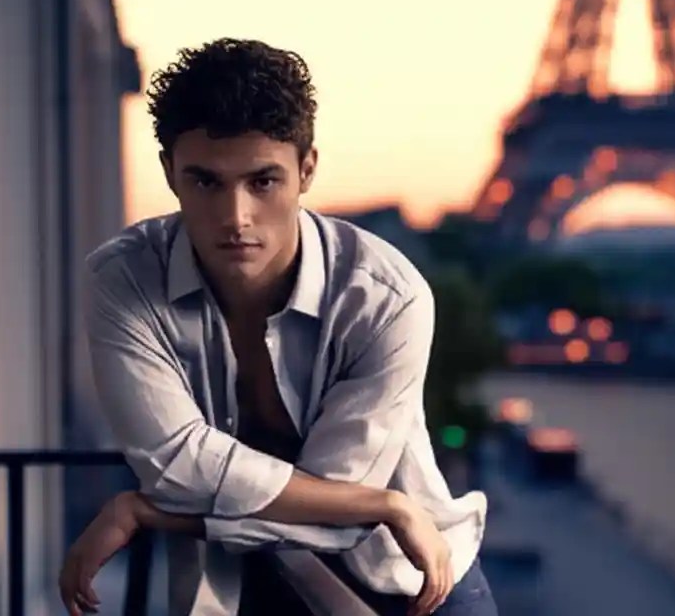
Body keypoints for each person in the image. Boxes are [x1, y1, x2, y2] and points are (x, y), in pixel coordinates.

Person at [58, 38, 493, 616]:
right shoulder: (125, 280)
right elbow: (174, 465)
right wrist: (374, 502)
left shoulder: (386, 297)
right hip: (246, 582)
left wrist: (148, 510)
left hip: (408, 576)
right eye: (206, 182)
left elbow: (344, 511)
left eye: (262, 181)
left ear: (306, 169)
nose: (235, 217)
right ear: (169, 172)